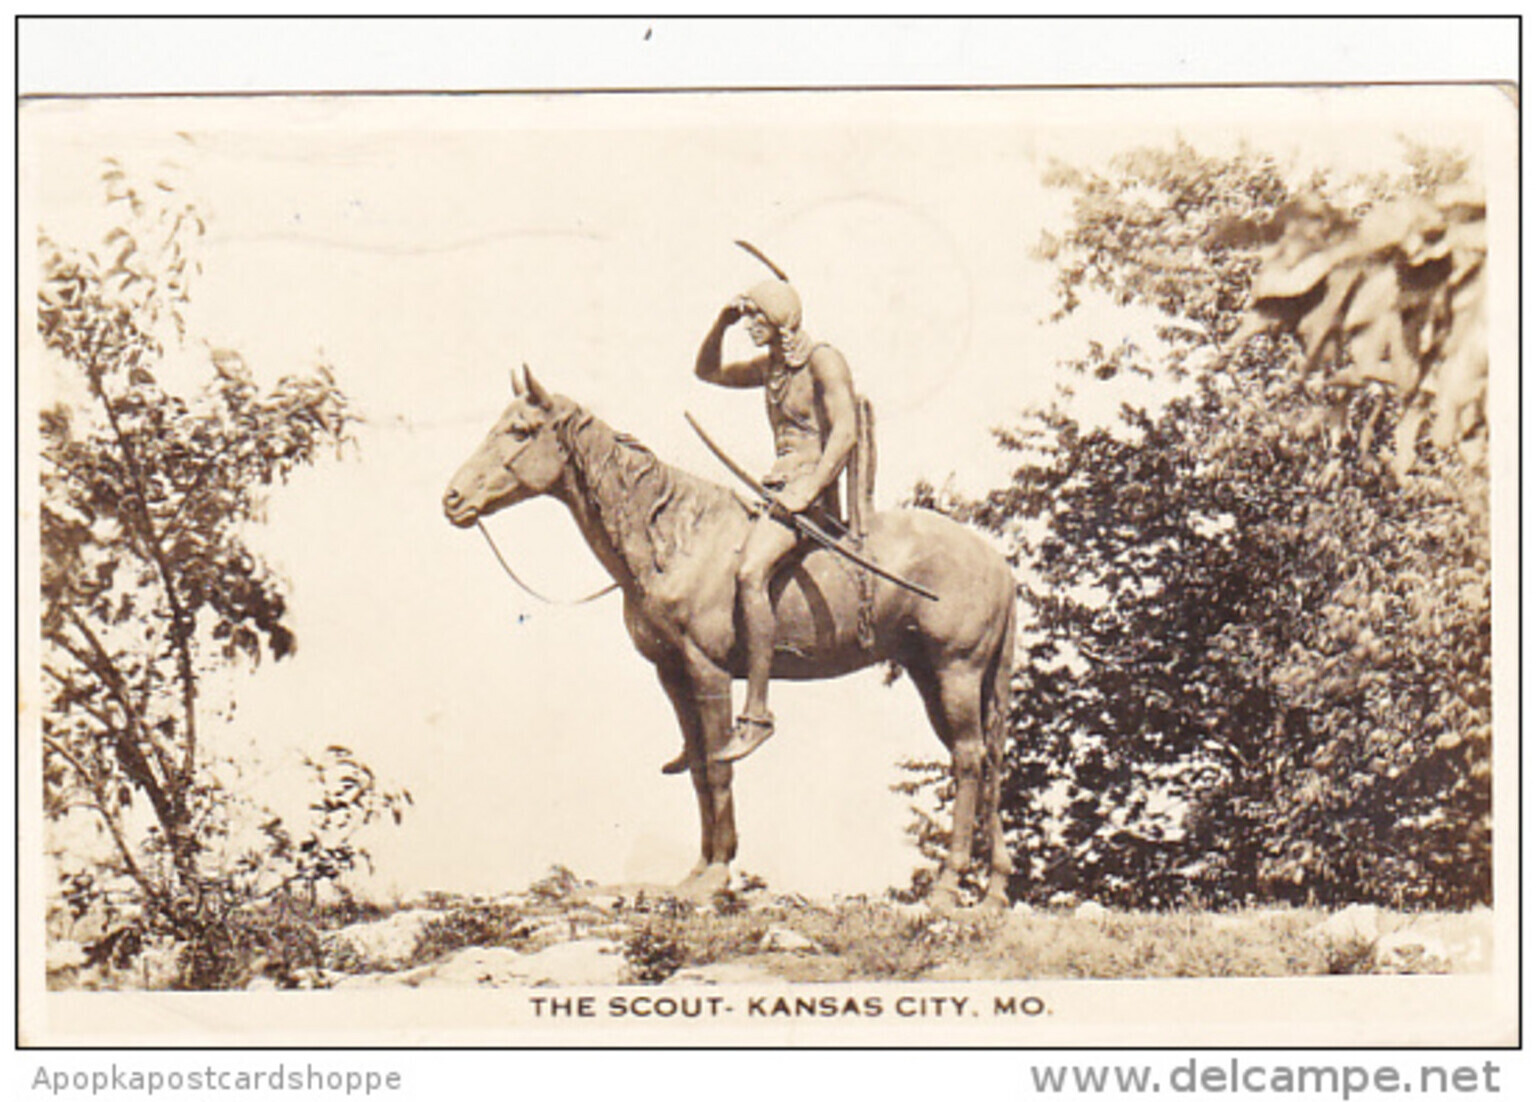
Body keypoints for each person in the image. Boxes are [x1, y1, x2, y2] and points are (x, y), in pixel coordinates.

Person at [661, 279, 858, 774]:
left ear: (780, 318)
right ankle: (703, 730)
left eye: (755, 318)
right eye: (745, 318)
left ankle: (756, 712)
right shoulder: (771, 367)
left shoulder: (823, 361)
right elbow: (706, 370)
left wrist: (807, 492)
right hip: (776, 494)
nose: (749, 326)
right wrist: (721, 321)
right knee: (713, 565)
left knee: (750, 572)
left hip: (809, 498)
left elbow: (846, 434)